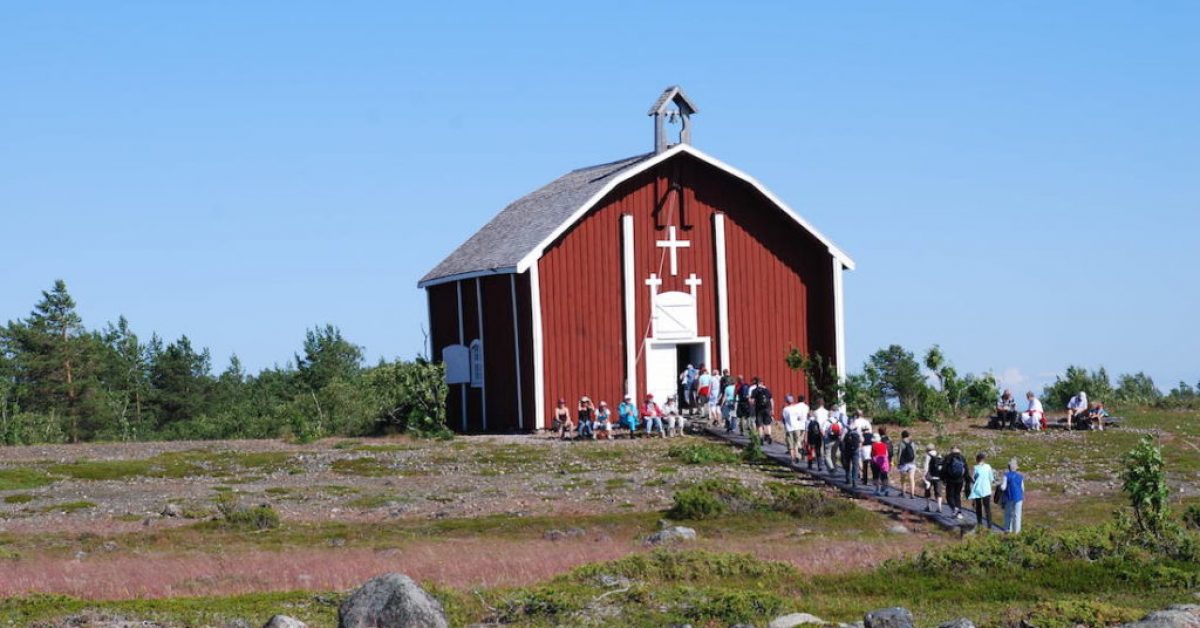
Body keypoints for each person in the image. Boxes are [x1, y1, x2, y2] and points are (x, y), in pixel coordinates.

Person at [968, 452, 995, 531]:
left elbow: (973, 479)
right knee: (987, 508)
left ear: (977, 459)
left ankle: (979, 524)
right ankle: (989, 525)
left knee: (978, 508)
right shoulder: (988, 467)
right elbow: (991, 478)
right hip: (986, 489)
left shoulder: (975, 468)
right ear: (984, 459)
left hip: (977, 490)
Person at [999, 458, 1025, 533]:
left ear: (1009, 467)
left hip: (1009, 497)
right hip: (1019, 497)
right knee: (1017, 515)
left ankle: (1007, 529)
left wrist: (1000, 486)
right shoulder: (1020, 476)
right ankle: (1017, 532)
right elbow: (1022, 488)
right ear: (1016, 468)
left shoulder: (1006, 475)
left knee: (1008, 514)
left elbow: (1003, 487)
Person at [942, 447, 968, 519]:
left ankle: (954, 509)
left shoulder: (948, 457)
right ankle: (959, 513)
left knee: (949, 496)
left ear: (951, 451)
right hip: (960, 480)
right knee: (957, 496)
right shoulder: (962, 458)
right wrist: (965, 479)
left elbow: (944, 469)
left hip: (950, 480)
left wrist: (943, 479)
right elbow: (966, 469)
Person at [780, 394, 807, 464]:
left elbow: (783, 419)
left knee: (790, 445)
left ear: (787, 401)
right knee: (796, 443)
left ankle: (793, 458)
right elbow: (800, 418)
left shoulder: (785, 409)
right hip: (797, 427)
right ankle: (797, 456)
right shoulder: (796, 408)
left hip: (789, 428)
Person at [750, 377, 775, 444]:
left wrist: (753, 404)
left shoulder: (755, 390)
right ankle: (768, 436)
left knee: (759, 424)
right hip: (767, 408)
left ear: (756, 384)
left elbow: (752, 401)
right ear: (762, 383)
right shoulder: (767, 390)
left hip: (759, 409)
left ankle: (761, 437)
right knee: (767, 423)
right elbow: (771, 400)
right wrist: (772, 409)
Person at [806, 397, 828, 471]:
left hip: (815, 432)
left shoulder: (815, 412)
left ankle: (810, 464)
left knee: (811, 448)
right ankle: (822, 463)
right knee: (821, 448)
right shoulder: (827, 412)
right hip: (824, 431)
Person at [871, 426, 892, 496]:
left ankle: (877, 490)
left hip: (876, 462)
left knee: (876, 476)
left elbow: (872, 454)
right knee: (884, 476)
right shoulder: (884, 445)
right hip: (883, 462)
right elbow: (886, 453)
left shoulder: (873, 445)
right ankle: (886, 489)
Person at [923, 444, 944, 513]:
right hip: (939, 476)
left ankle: (928, 506)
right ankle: (939, 507)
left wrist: (924, 476)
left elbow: (926, 466)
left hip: (930, 476)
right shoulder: (939, 455)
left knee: (927, 491)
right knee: (938, 492)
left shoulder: (928, 455)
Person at [897, 430, 918, 499]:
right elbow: (914, 453)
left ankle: (903, 492)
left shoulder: (901, 443)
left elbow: (899, 454)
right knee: (912, 478)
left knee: (903, 479)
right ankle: (912, 494)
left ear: (902, 436)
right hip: (912, 463)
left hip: (904, 463)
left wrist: (898, 462)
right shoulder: (913, 443)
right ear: (908, 435)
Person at [842, 422, 863, 488]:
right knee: (855, 466)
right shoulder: (858, 429)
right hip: (856, 449)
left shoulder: (845, 429)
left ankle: (848, 479)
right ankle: (855, 482)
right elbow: (862, 439)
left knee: (847, 464)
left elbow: (841, 439)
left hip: (847, 449)